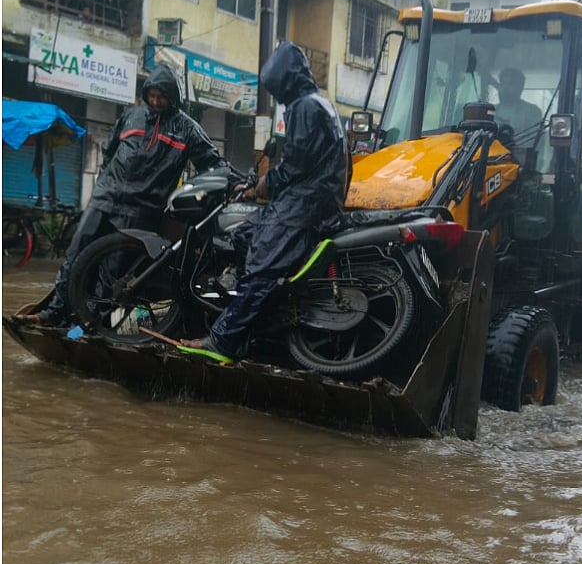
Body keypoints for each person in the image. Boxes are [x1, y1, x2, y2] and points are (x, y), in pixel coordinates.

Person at [15, 64, 225, 327]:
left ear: (173, 97)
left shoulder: (188, 129)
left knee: (113, 272)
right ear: (146, 93)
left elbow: (215, 164)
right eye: (152, 95)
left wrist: (233, 186)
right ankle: (54, 311)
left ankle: (88, 322)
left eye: (163, 96)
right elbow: (110, 151)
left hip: (141, 210)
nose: (156, 101)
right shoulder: (131, 116)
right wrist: (104, 182)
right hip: (106, 197)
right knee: (76, 254)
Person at [179, 42, 347, 361]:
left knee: (261, 269)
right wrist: (259, 184)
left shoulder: (305, 106)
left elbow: (296, 163)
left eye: (277, 88)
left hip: (304, 206)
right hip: (313, 199)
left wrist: (265, 183)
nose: (277, 96)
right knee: (243, 235)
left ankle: (225, 341)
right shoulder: (320, 104)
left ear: (287, 80)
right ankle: (252, 320)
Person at [493, 67, 544, 145]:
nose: (505, 88)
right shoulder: (490, 111)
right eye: (502, 83)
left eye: (510, 84)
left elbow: (534, 144)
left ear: (520, 88)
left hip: (519, 156)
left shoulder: (532, 112)